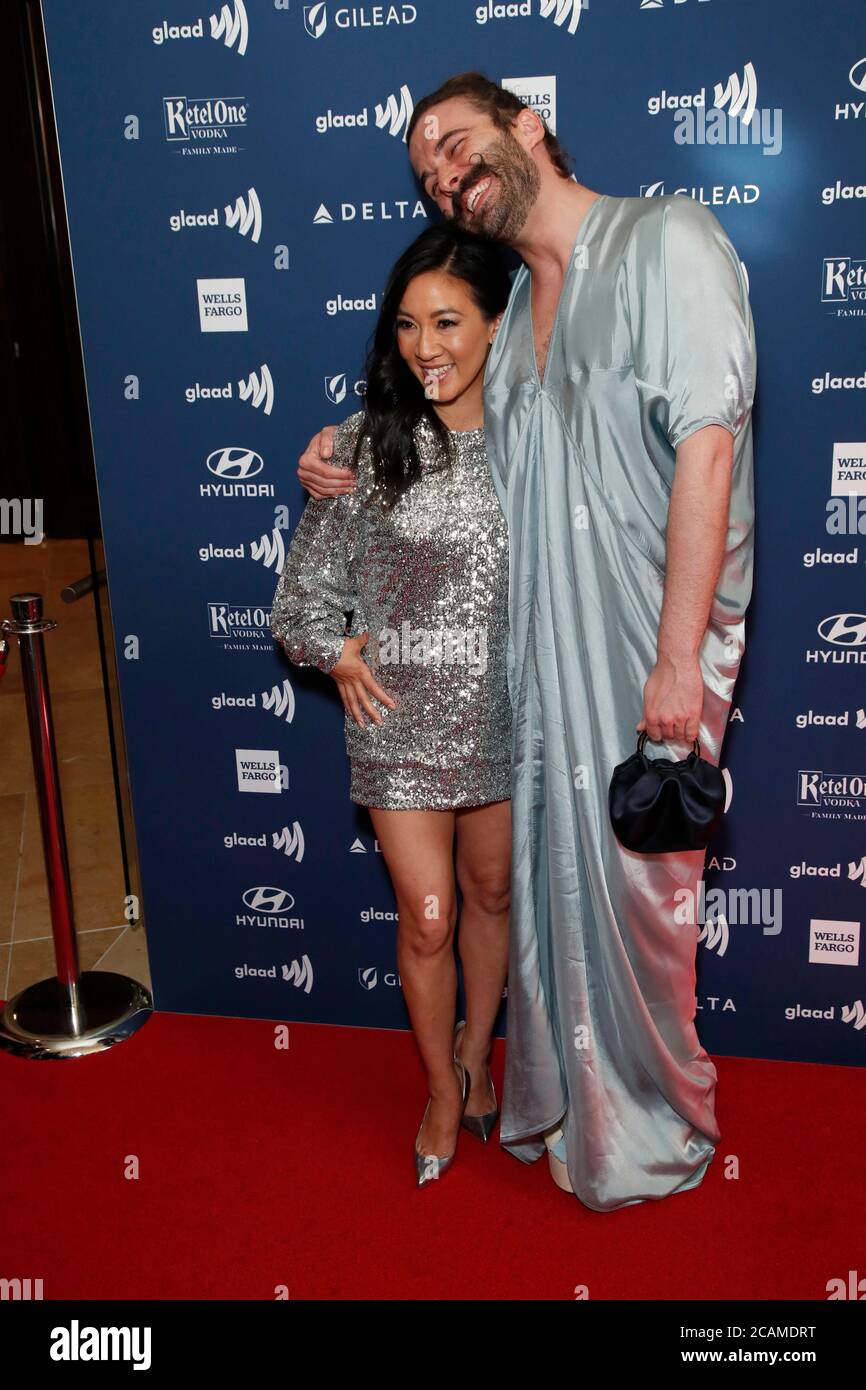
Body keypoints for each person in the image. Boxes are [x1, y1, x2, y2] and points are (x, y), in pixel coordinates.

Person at [296, 72, 757, 1212]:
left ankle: (650, 1123)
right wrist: (339, 452)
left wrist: (673, 658)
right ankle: (567, 1103)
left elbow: (708, 448)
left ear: (528, 125)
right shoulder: (511, 325)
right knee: (551, 897)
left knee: (642, 903)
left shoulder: (665, 240)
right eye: (426, 172)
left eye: (455, 142)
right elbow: (442, 439)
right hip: (537, 670)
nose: (447, 173)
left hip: (644, 656)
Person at [271, 223, 514, 1188]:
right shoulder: (364, 448)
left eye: (450, 320)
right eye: (409, 325)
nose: (428, 346)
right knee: (427, 916)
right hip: (399, 723)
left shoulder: (546, 439)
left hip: (507, 712)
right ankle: (441, 1091)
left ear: (497, 324)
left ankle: (477, 1055)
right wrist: (336, 655)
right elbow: (297, 602)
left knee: (494, 897)